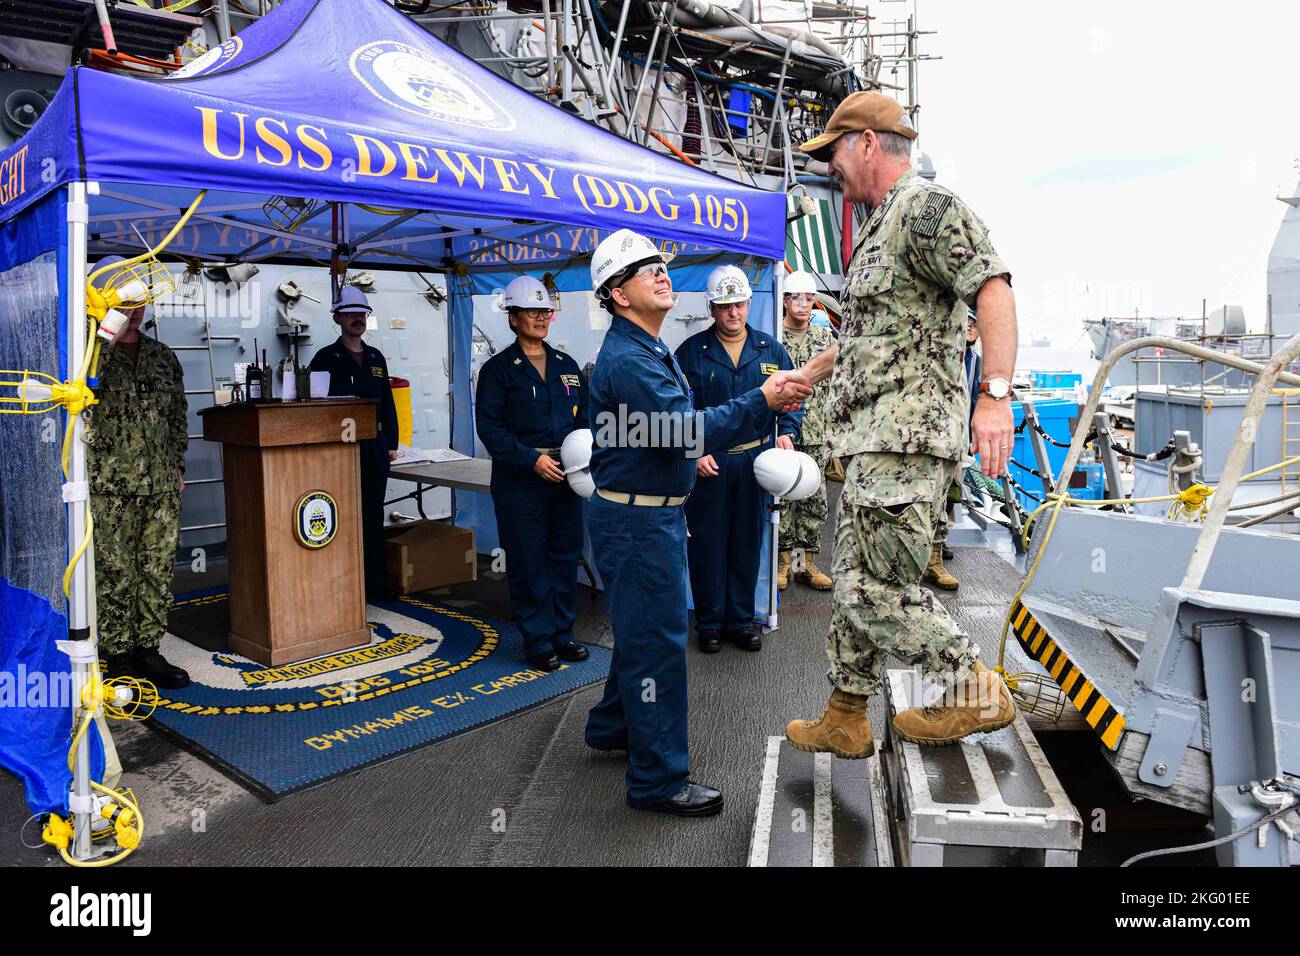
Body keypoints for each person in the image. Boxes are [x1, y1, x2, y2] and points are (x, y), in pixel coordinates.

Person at [782, 91, 1019, 754]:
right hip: (871, 443)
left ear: (865, 143)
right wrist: (807, 376)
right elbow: (865, 336)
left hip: (908, 442)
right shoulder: (882, 225)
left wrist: (994, 397)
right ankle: (845, 713)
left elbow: (993, 289)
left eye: (833, 153)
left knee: (873, 588)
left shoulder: (926, 207)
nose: (830, 168)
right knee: (858, 581)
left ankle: (973, 687)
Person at [581, 229, 810, 816]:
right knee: (657, 644)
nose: (661, 273)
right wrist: (762, 399)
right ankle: (657, 782)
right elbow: (688, 434)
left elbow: (665, 436)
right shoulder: (632, 361)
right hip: (638, 524)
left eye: (660, 264)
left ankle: (612, 725)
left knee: (639, 631)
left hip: (640, 514)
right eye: (644, 269)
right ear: (617, 294)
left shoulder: (648, 350)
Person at [676, 265, 798, 654]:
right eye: (725, 305)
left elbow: (793, 398)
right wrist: (693, 450)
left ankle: (742, 620)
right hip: (708, 466)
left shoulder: (771, 350)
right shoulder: (691, 353)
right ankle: (709, 622)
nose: (733, 313)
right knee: (707, 545)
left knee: (748, 542)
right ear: (712, 308)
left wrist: (787, 431)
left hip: (755, 463)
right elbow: (678, 411)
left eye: (740, 304)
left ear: (749, 303)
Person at [475, 275, 590, 672]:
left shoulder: (566, 365)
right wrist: (531, 460)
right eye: (532, 310)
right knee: (527, 561)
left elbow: (586, 420)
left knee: (564, 556)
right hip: (521, 481)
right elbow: (490, 430)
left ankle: (563, 633)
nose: (541, 317)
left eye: (545, 310)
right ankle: (538, 639)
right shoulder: (498, 371)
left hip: (566, 478)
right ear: (513, 318)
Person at [88, 256, 190, 688]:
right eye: (127, 300)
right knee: (115, 570)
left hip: (161, 483)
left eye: (141, 300)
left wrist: (178, 465)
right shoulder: (88, 357)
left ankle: (149, 650)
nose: (136, 309)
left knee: (157, 568)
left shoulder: (162, 357)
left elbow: (178, 418)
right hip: (111, 485)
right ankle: (117, 654)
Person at [309, 285, 399, 600]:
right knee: (344, 513)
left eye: (361, 313)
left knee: (373, 513)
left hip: (374, 444)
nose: (357, 318)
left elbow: (387, 401)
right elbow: (316, 406)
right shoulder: (325, 357)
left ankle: (375, 582)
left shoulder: (376, 357)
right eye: (350, 313)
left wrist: (392, 441)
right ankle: (345, 582)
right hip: (341, 446)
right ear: (338, 318)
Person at [776, 270, 837, 592]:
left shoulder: (825, 340)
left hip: (816, 432)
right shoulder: (772, 338)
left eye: (809, 298)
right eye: (796, 297)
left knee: (813, 498)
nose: (803, 304)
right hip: (783, 431)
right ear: (785, 301)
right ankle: (783, 560)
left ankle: (805, 564)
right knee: (783, 496)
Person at [925, 310, 983, 589]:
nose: (971, 329)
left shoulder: (975, 360)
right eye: (967, 323)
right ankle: (923, 552)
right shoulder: (941, 351)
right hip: (931, 435)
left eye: (975, 325)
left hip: (958, 438)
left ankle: (937, 552)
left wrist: (971, 437)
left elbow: (974, 398)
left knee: (951, 494)